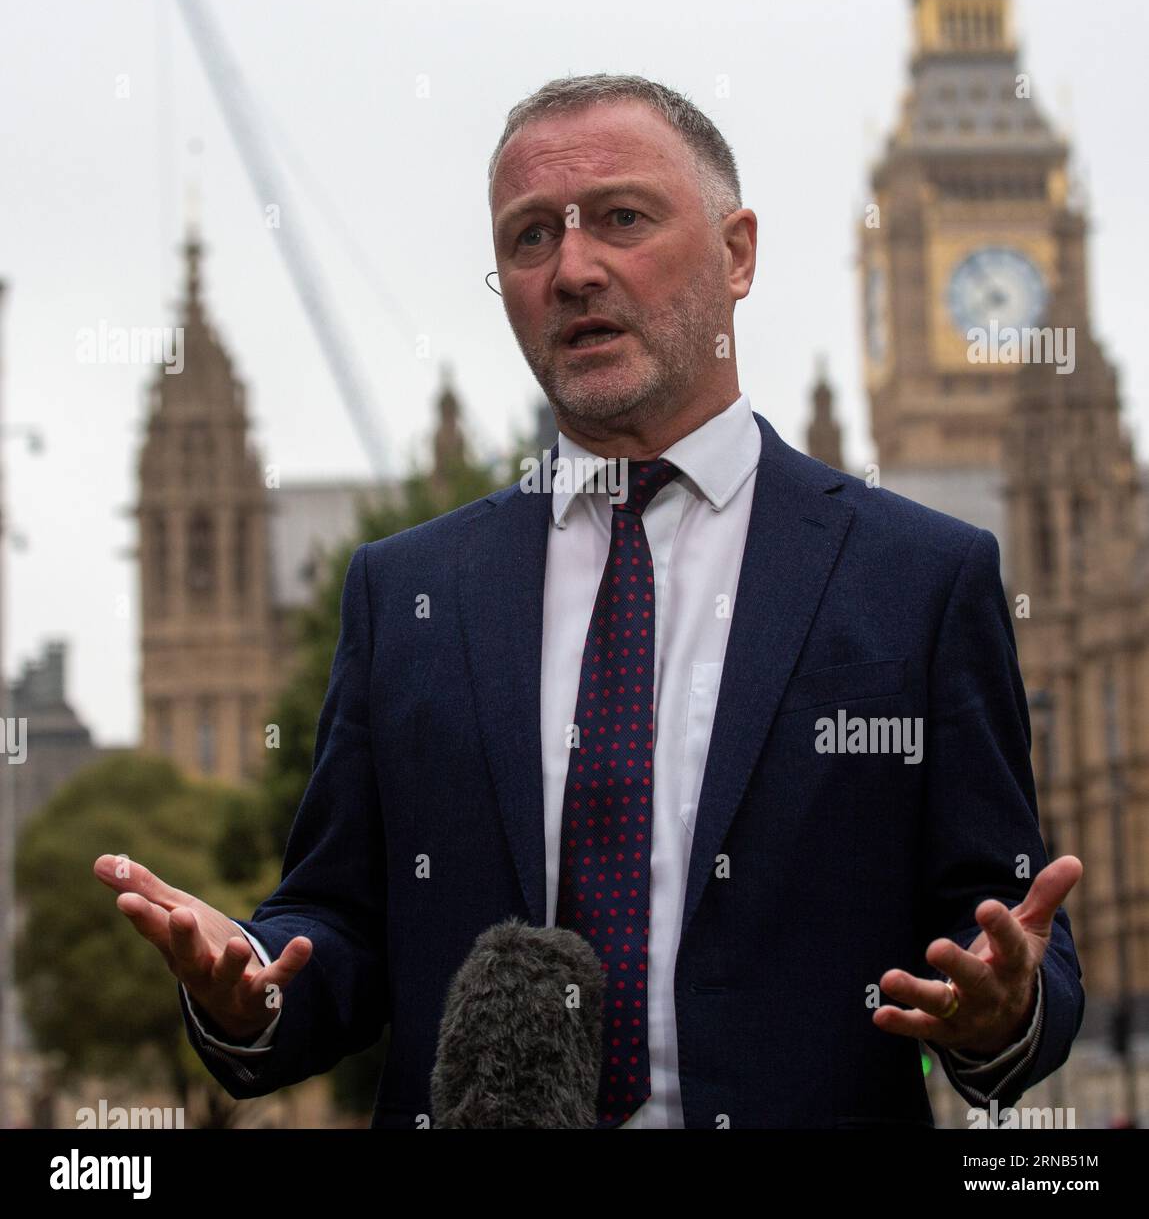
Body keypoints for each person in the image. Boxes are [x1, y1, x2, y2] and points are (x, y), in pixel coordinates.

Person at [94, 73, 1084, 1128]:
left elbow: (1013, 926)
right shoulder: (409, 592)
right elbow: (335, 923)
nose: (572, 269)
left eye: (621, 218)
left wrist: (1002, 1009)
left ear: (738, 252)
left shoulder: (918, 576)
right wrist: (252, 981)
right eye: (529, 239)